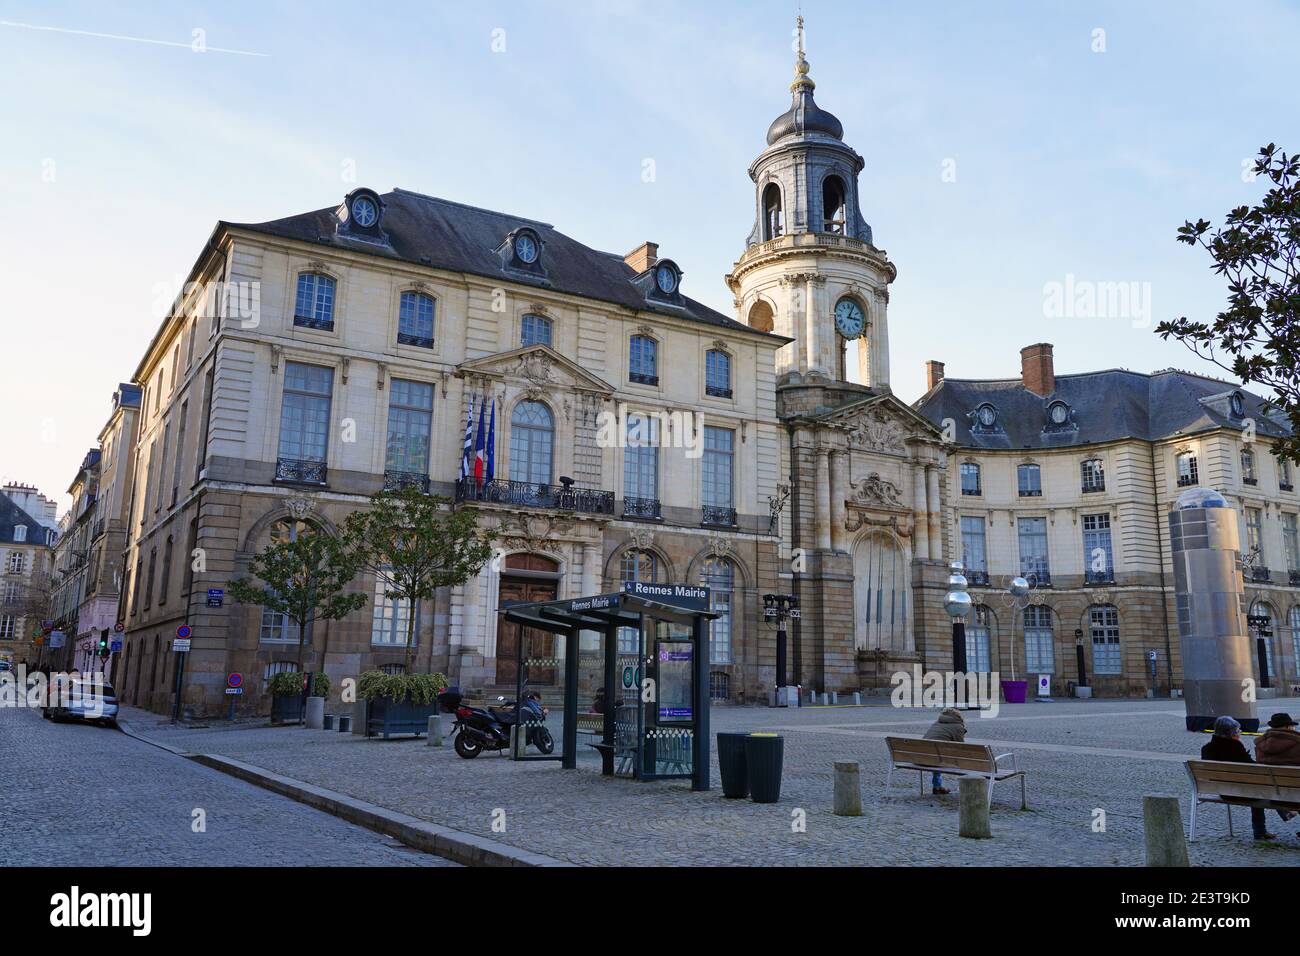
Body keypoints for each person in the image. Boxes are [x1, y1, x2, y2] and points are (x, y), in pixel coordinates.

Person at [1203, 715, 1293, 841]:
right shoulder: (1235, 747)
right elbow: (1255, 769)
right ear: (1231, 733)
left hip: (1222, 791)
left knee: (1256, 788)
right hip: (1240, 792)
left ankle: (1263, 830)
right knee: (1262, 787)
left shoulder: (1206, 749)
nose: (1239, 733)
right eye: (1238, 731)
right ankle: (1280, 815)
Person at [923, 707, 967, 795]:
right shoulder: (958, 727)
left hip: (921, 757)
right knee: (966, 760)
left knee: (936, 755)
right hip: (936, 758)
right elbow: (961, 747)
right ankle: (967, 788)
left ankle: (937, 786)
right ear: (958, 717)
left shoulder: (936, 723)